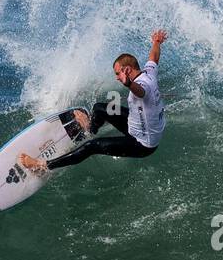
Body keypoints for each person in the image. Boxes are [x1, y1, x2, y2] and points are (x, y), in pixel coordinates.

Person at [19, 29, 167, 173]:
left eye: (118, 73)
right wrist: (157, 42)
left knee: (92, 146)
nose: (116, 77)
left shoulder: (142, 86)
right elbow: (153, 57)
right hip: (137, 124)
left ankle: (42, 166)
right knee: (99, 108)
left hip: (142, 144)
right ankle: (89, 130)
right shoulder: (149, 72)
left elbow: (141, 92)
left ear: (127, 70)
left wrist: (128, 84)